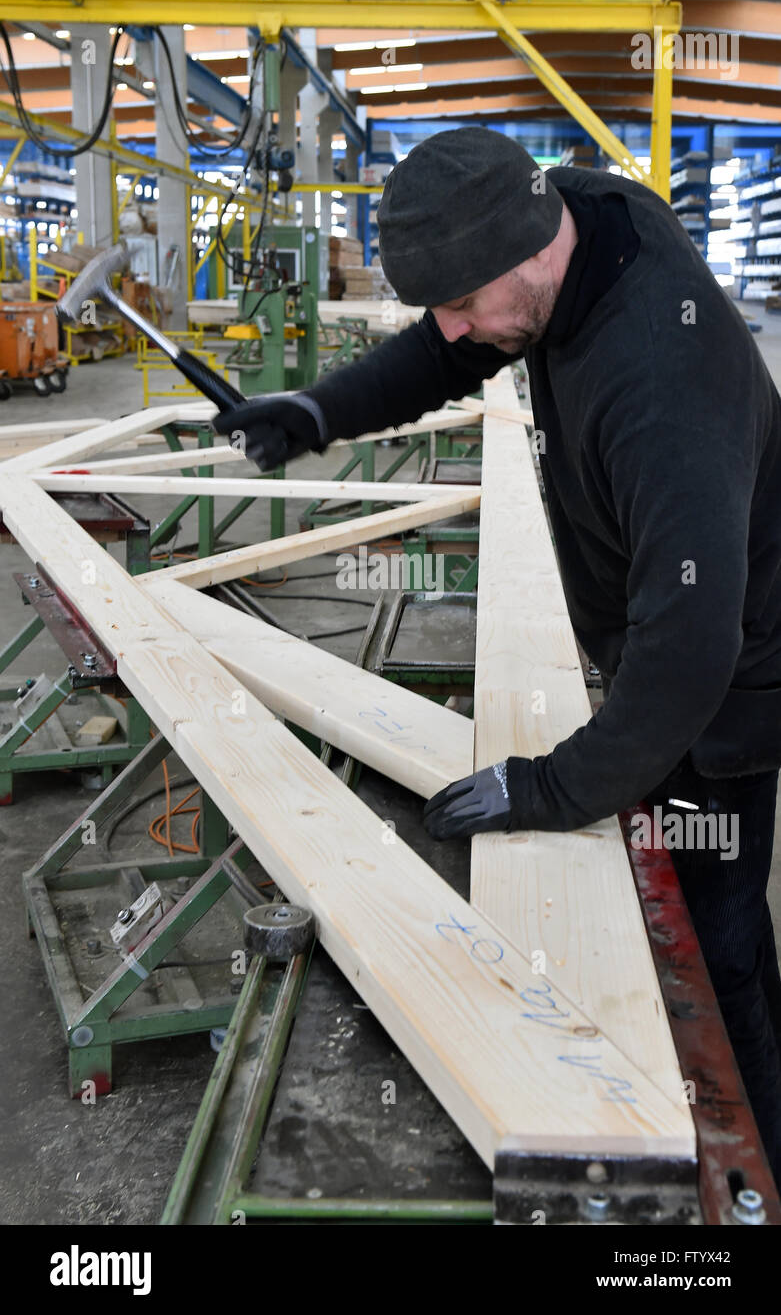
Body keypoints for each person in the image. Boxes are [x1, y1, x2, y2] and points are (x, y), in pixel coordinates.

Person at [215, 127, 781, 1185]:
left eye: (468, 304)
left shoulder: (663, 377)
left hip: (732, 678)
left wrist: (546, 784)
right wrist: (316, 411)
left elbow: (689, 652)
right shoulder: (557, 215)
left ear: (527, 259)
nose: (456, 330)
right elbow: (445, 347)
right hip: (657, 617)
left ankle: (754, 1170)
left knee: (721, 939)